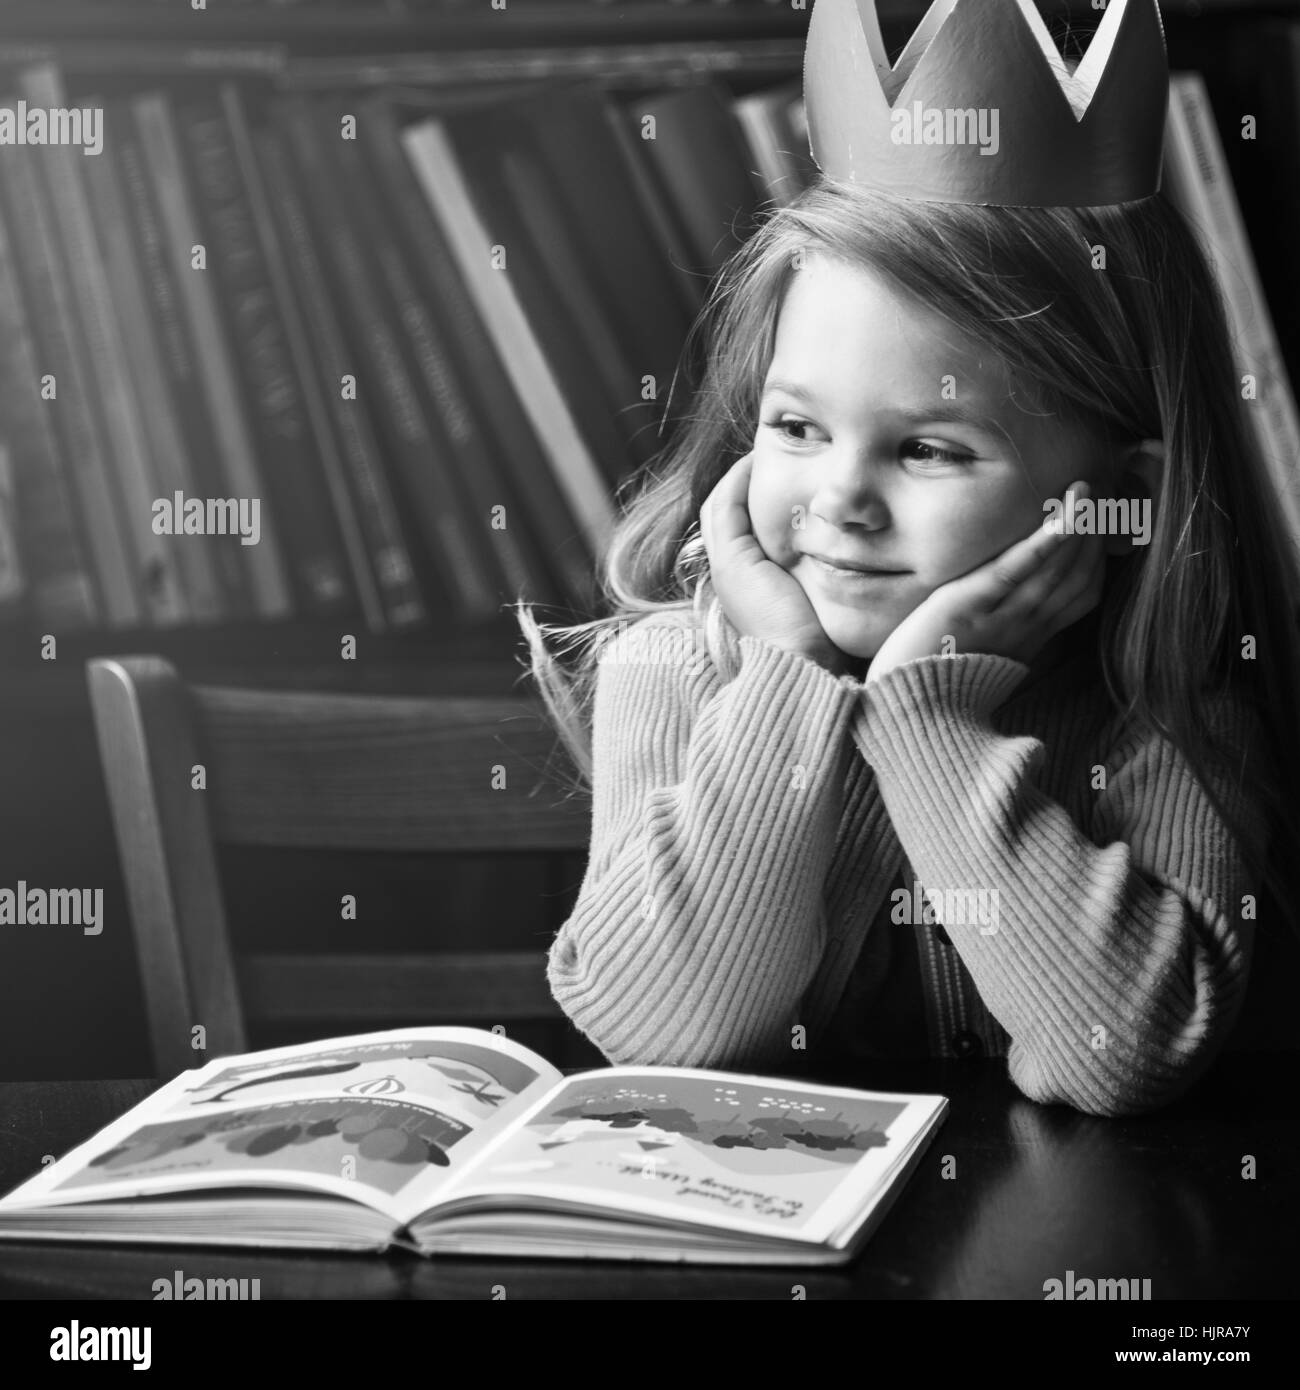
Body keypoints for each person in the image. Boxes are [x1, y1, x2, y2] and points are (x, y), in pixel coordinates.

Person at [514, 2, 1300, 1117]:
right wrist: (787, 676)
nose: (838, 499)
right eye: (795, 428)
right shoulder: (673, 672)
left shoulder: (1166, 712)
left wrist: (930, 720)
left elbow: (1123, 1053)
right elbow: (667, 1035)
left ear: (1117, 495)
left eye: (928, 447)